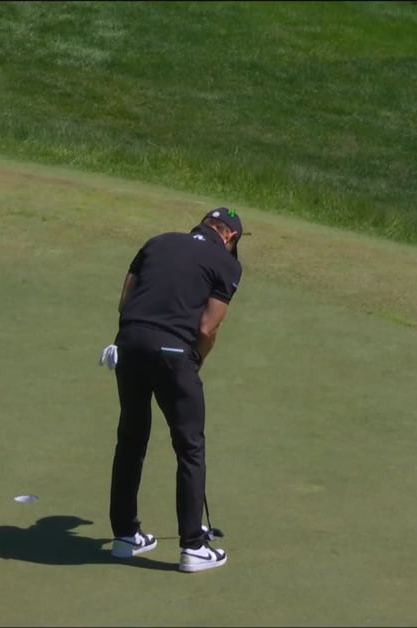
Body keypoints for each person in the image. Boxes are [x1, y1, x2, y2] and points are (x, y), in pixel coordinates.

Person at [100, 207, 244, 573]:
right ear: (229, 237)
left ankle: (125, 537)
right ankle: (193, 547)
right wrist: (194, 360)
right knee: (190, 447)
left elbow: (125, 300)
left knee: (131, 439)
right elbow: (208, 328)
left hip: (127, 345)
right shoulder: (225, 263)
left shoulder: (157, 242)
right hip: (173, 353)